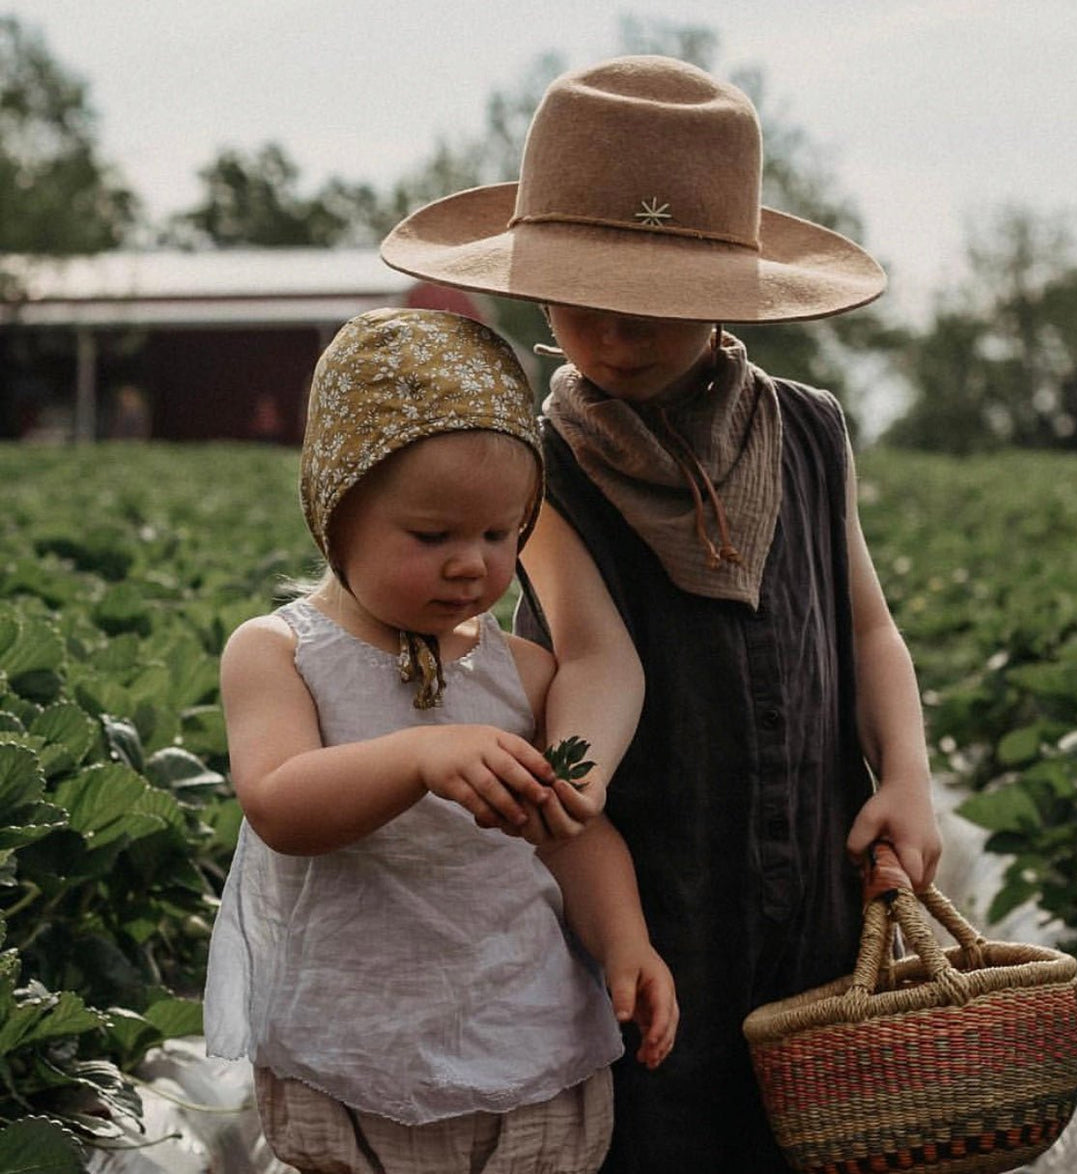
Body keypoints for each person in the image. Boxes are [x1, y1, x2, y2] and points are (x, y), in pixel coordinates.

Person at [379, 55, 944, 1173]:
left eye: (653, 313)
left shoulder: (811, 432)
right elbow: (594, 653)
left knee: (814, 1140)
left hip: (816, 901)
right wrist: (571, 774)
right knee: (660, 1136)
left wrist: (911, 776)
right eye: (581, 305)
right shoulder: (535, 469)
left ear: (727, 297)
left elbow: (868, 627)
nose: (613, 341)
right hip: (642, 910)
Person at [204, 307, 677, 1174]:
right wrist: (421, 755)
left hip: (523, 1040)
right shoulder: (278, 655)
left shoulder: (525, 673)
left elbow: (573, 834)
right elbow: (278, 803)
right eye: (433, 536)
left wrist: (626, 943)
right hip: (353, 1050)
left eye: (501, 534)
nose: (473, 565)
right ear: (334, 512)